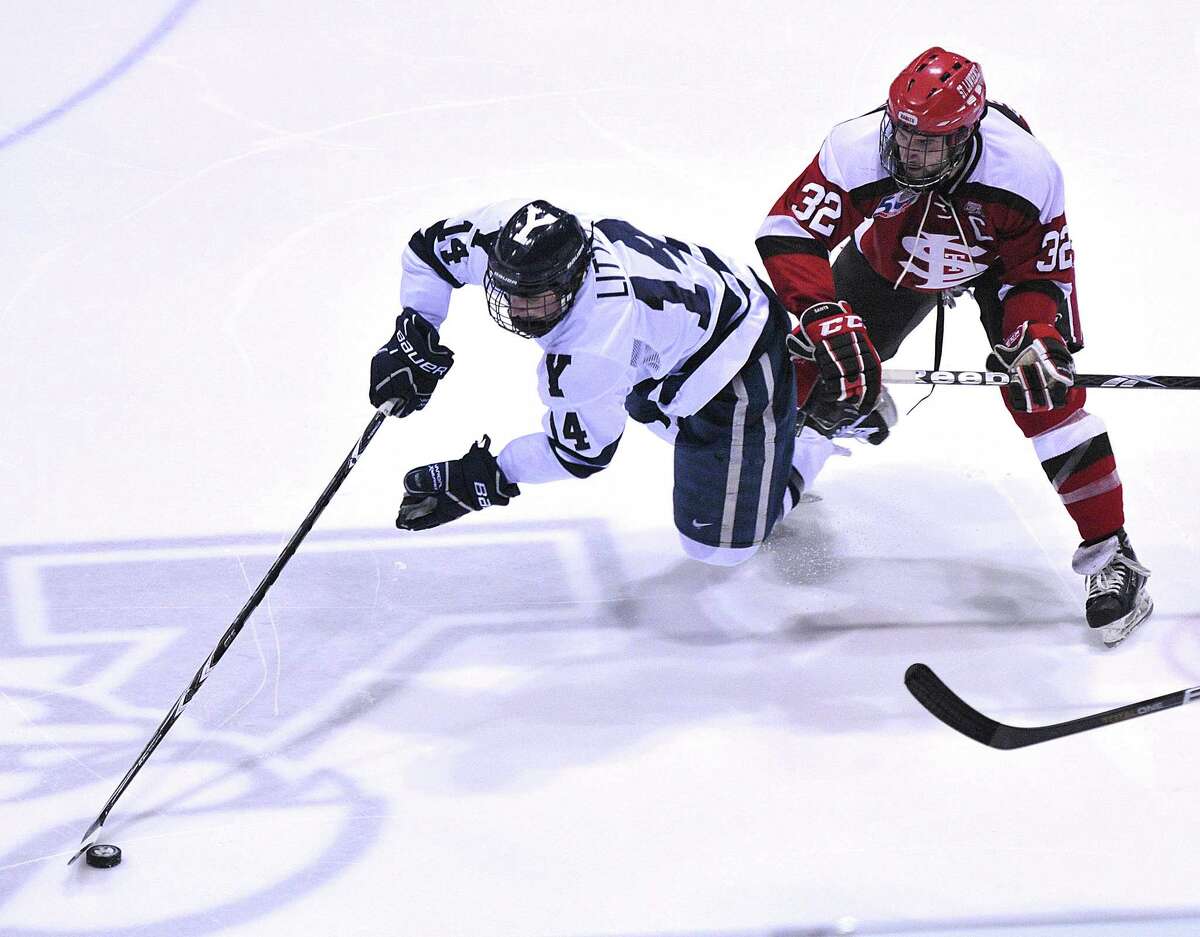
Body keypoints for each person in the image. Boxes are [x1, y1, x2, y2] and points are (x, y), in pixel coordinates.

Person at [755, 46, 1152, 645]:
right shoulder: (857, 148)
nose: (908, 152)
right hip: (894, 260)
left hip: (996, 267)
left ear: (966, 135)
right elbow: (788, 231)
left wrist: (1033, 334)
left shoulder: (1025, 171)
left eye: (929, 143)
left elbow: (1037, 274)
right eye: (903, 134)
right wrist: (822, 315)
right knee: (812, 368)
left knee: (1045, 395)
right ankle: (841, 423)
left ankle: (1113, 555)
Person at [370, 199, 822, 567]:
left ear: (569, 281)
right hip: (679, 326)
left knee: (718, 549)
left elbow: (581, 454)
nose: (512, 307)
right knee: (659, 416)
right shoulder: (510, 239)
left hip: (737, 354)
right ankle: (765, 438)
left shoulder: (591, 351)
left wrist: (490, 475)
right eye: (506, 287)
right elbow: (429, 252)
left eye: (531, 298)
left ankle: (817, 436)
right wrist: (415, 329)